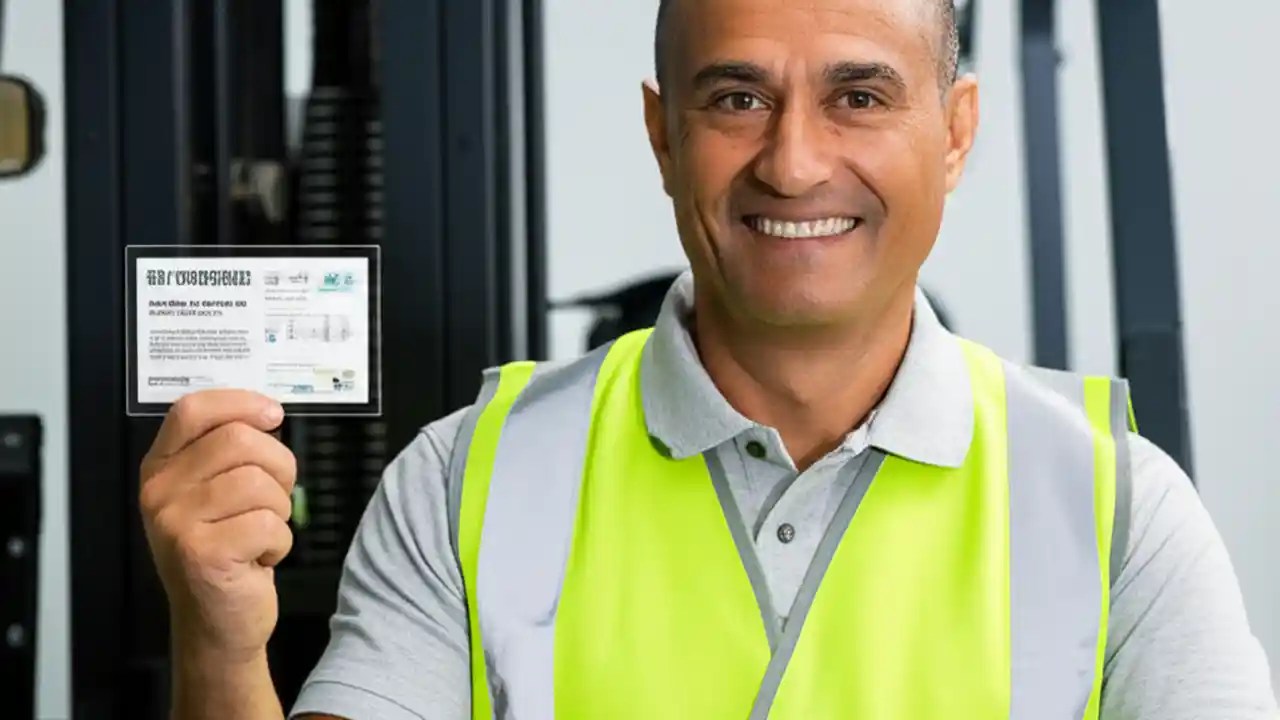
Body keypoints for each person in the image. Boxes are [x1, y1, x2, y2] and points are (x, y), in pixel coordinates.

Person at [138, 0, 1279, 717]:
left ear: (956, 130)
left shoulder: (1113, 506)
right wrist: (222, 645)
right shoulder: (463, 483)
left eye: (857, 96)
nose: (791, 164)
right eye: (737, 97)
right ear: (661, 134)